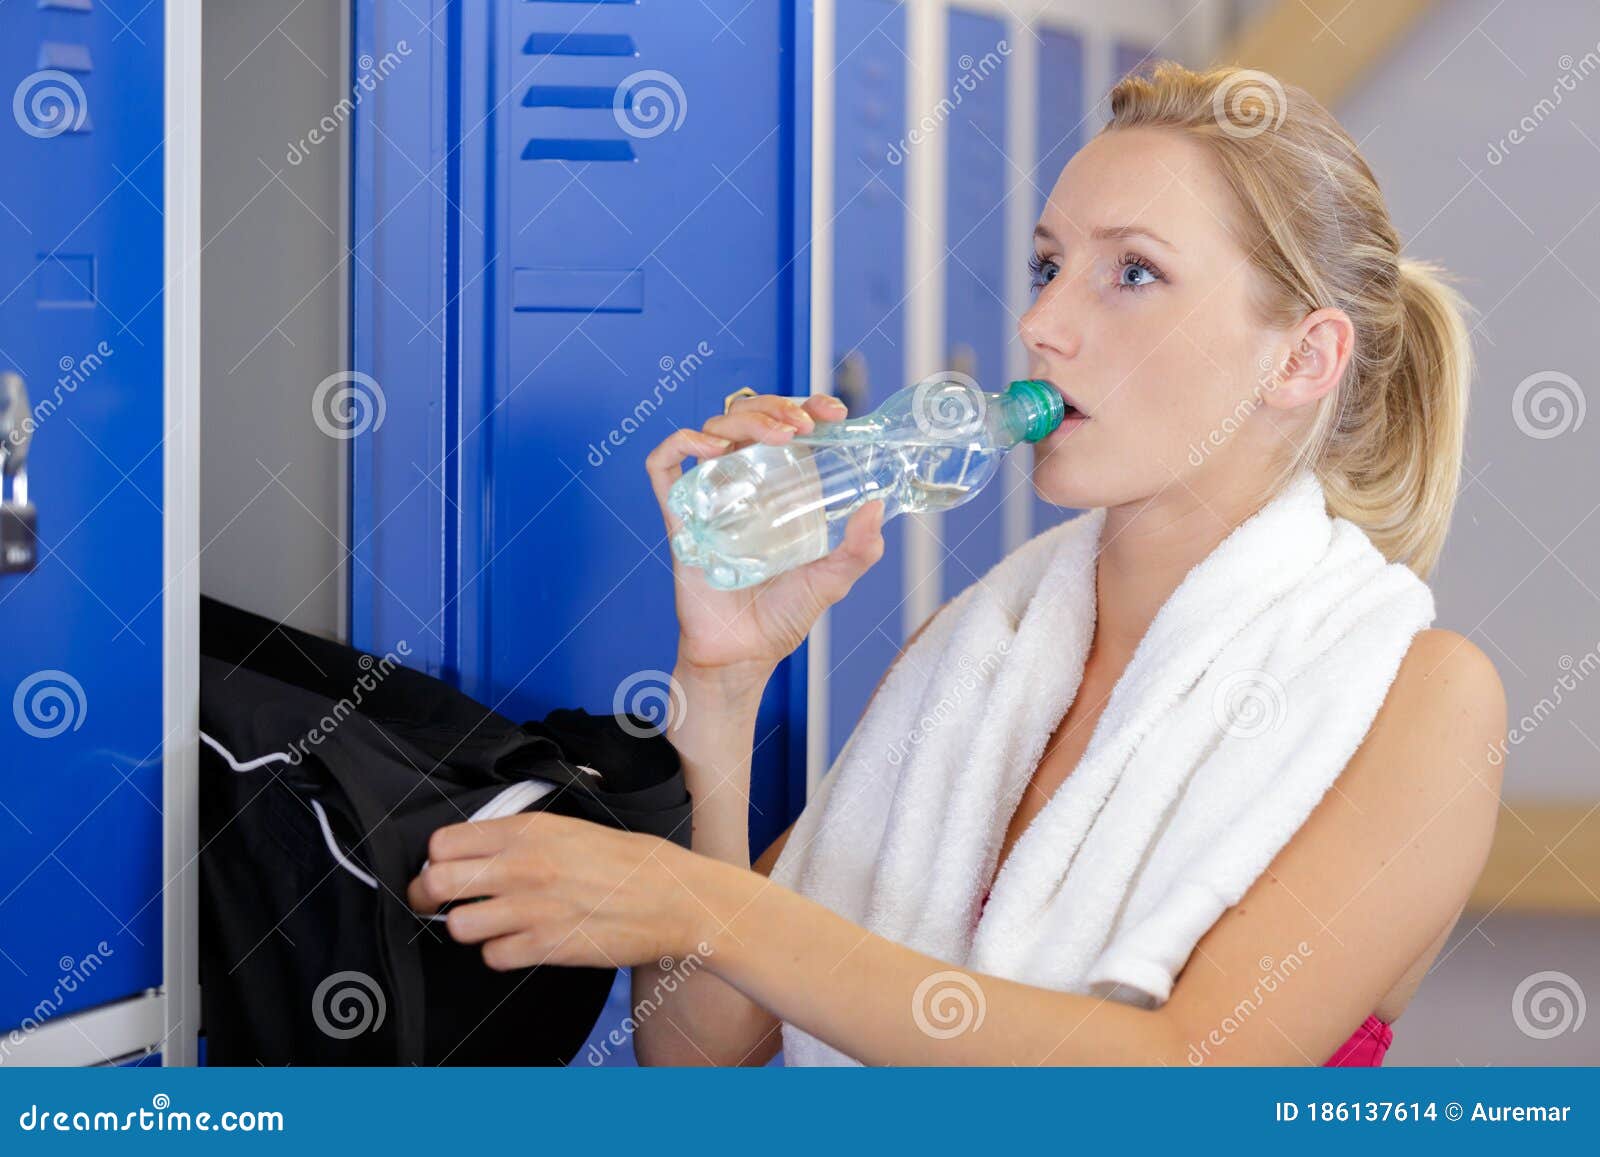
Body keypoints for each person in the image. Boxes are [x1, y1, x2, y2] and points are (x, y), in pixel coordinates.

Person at [407, 62, 1506, 1066]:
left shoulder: (1419, 698)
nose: (1039, 322)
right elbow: (702, 1059)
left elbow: (1187, 1077)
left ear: (1301, 357)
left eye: (1131, 272)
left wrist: (702, 904)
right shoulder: (977, 646)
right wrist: (725, 684)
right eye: (1046, 263)